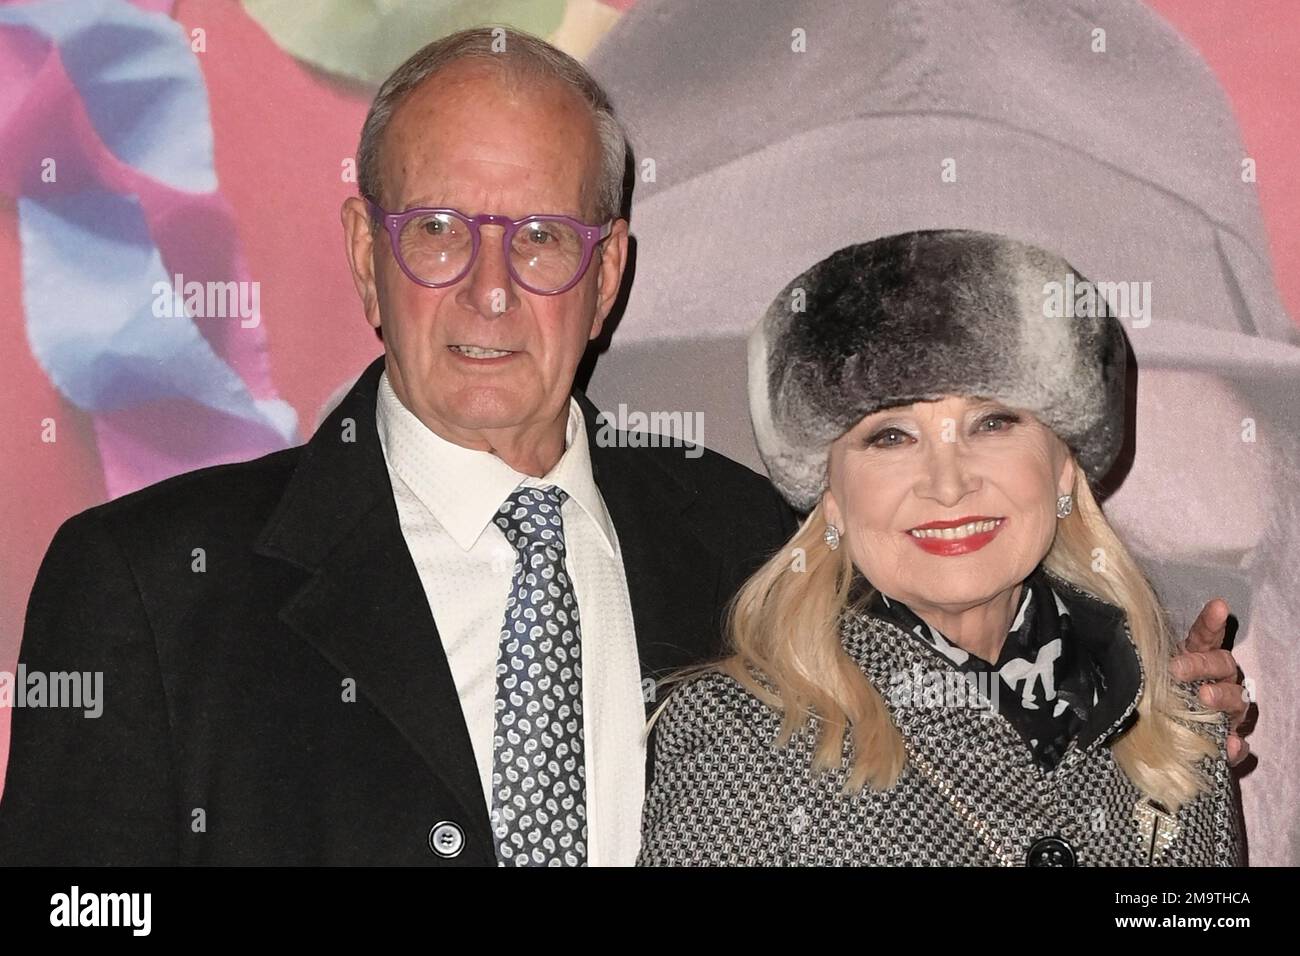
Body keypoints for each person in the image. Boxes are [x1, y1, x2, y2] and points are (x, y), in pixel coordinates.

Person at [0, 29, 1242, 867]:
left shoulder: (756, 542)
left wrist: (1147, 692)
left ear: (608, 279)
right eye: (437, 228)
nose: (489, 290)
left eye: (541, 237)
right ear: (364, 252)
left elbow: (980, 673)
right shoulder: (152, 583)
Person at [639, 230, 1245, 866]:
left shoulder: (1172, 735)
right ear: (831, 495)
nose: (949, 484)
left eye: (992, 422)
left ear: (1064, 467)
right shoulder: (740, 742)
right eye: (892, 436)